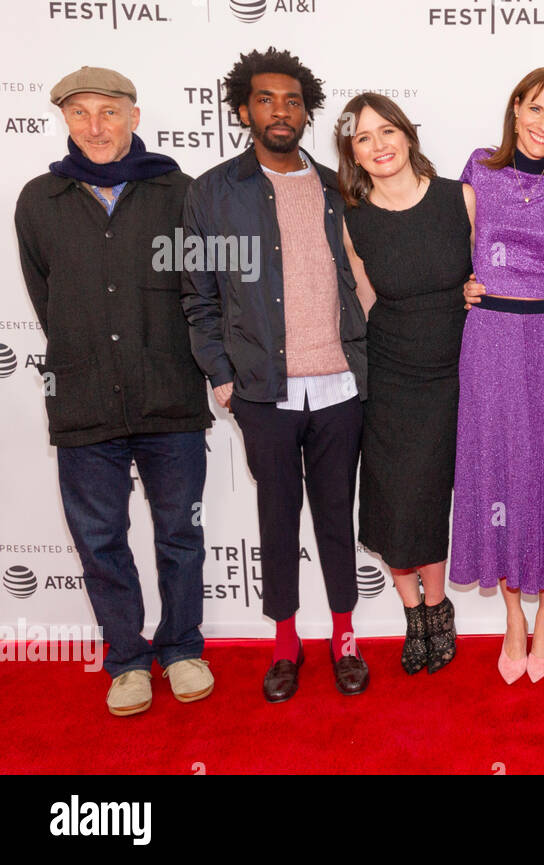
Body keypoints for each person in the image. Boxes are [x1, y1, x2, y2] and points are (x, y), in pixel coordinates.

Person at [14, 66, 213, 717]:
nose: (95, 126)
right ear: (66, 120)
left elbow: (202, 291)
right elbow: (50, 300)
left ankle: (182, 647)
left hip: (171, 397)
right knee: (100, 539)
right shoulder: (39, 200)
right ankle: (126, 659)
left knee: (179, 533)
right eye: (80, 113)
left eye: (109, 111)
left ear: (134, 114)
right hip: (84, 400)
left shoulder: (180, 193)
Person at [182, 47, 370, 702]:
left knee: (334, 518)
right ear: (243, 110)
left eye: (292, 100)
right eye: (266, 99)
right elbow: (198, 296)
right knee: (276, 516)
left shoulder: (338, 187)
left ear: (306, 112)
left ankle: (343, 635)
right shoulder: (212, 192)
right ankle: (285, 640)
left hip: (341, 385)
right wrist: (224, 379)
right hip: (263, 390)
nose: (280, 111)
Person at [450, 69, 544, 684]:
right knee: (496, 463)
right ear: (515, 110)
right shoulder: (480, 168)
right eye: (536, 109)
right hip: (490, 337)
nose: (543, 124)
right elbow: (454, 246)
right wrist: (460, 283)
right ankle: (512, 613)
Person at [337, 93, 470, 676]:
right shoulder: (352, 218)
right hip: (390, 374)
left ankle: (437, 607)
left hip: (456, 369)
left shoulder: (457, 199)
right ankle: (412, 614)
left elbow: (491, 274)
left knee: (433, 492)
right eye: (363, 138)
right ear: (353, 153)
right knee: (393, 497)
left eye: (386, 131)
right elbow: (365, 299)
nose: (378, 145)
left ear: (408, 135)